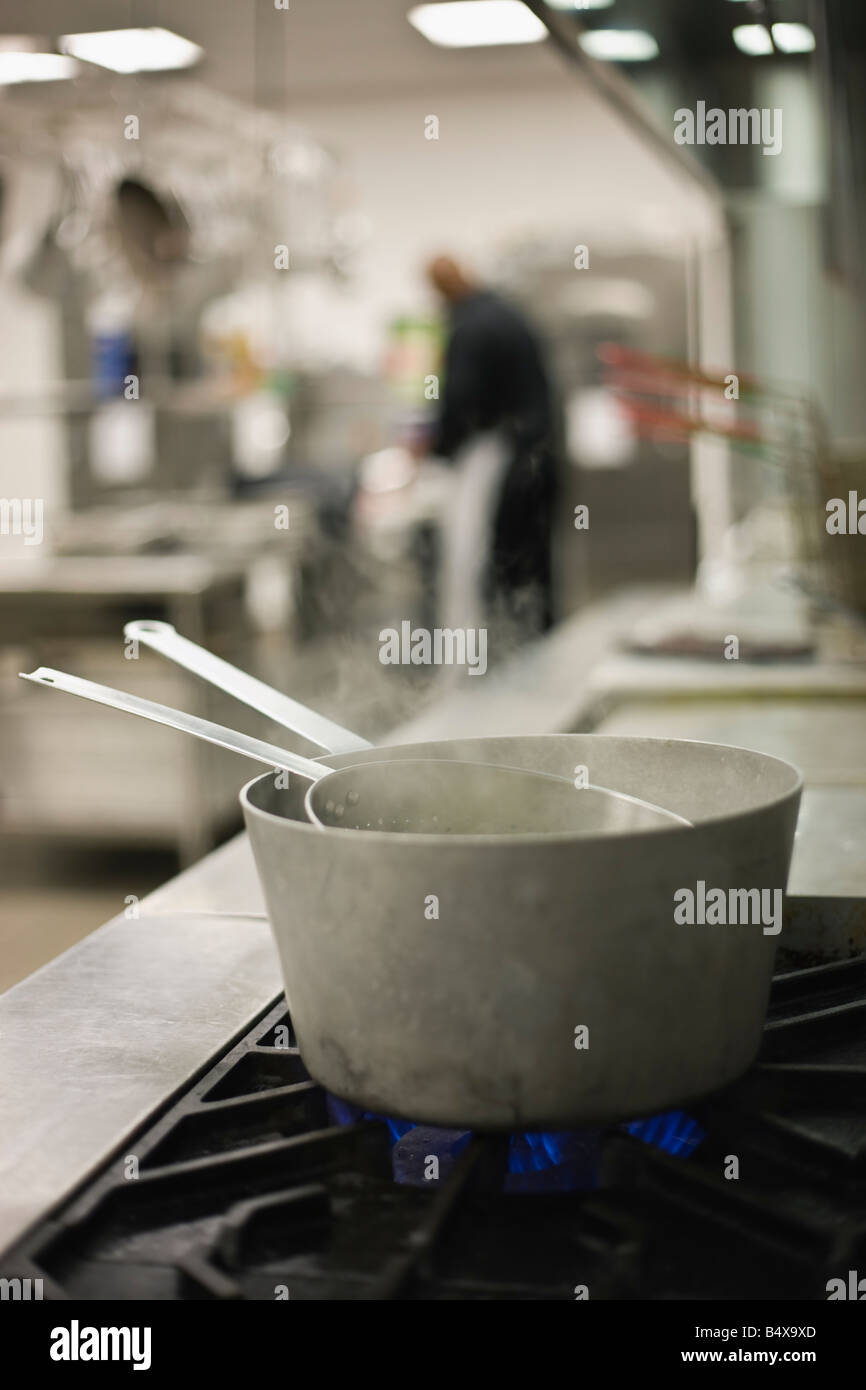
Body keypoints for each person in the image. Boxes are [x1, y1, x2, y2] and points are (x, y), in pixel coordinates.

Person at [422, 254, 559, 640]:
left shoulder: (470, 327)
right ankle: (531, 663)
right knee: (532, 577)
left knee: (484, 570)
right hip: (538, 463)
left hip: (507, 467)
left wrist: (436, 452)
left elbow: (459, 402)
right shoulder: (506, 314)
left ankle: (492, 670)